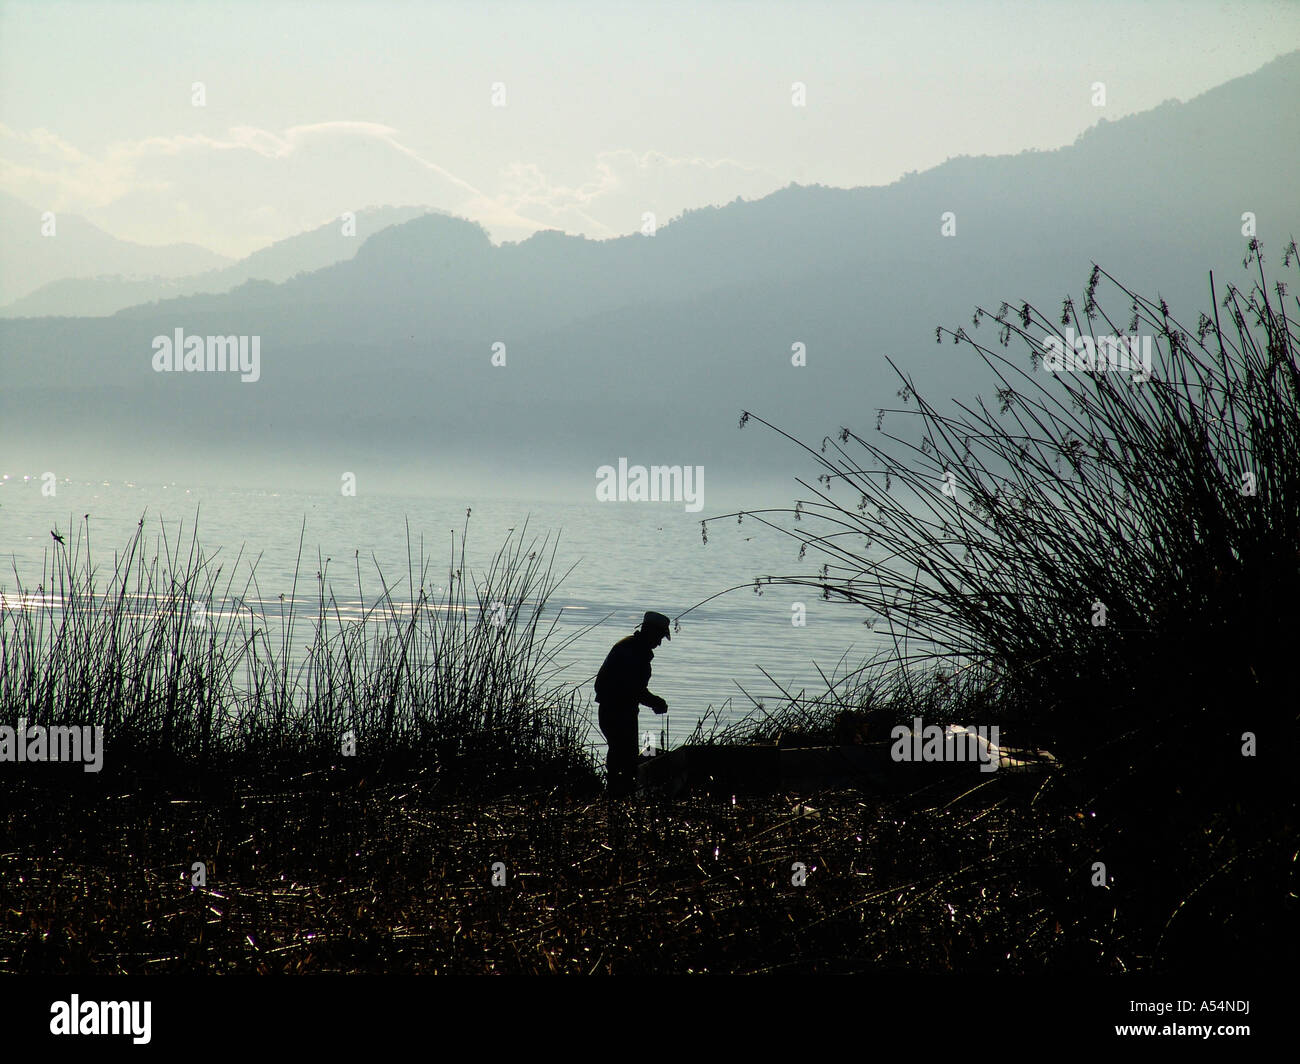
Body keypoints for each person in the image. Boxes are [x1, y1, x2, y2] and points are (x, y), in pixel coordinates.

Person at [594, 611, 671, 797]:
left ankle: (616, 794)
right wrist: (656, 702)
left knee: (620, 755)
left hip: (613, 711)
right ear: (649, 631)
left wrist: (651, 701)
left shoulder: (629, 647)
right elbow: (634, 690)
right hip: (617, 713)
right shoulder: (635, 653)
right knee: (624, 758)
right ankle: (618, 796)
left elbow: (632, 689)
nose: (659, 643)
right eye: (659, 636)